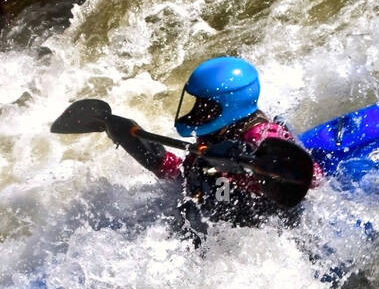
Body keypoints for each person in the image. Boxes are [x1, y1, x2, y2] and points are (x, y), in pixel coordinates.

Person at [103, 57, 320, 240]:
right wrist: (146, 151)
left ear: (230, 107)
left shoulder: (262, 136)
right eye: (197, 105)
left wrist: (241, 170)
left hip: (270, 232)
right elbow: (184, 177)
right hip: (219, 221)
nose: (196, 114)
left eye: (204, 108)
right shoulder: (214, 136)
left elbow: (312, 178)